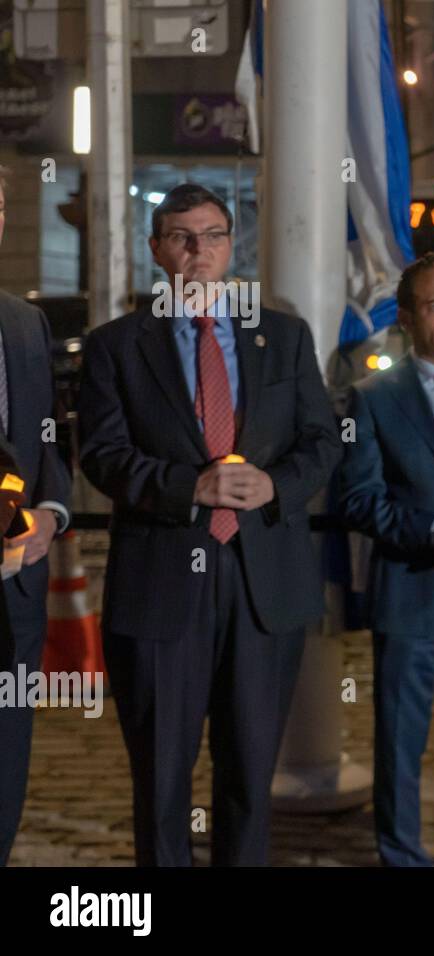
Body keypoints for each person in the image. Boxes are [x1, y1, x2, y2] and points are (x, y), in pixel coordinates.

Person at [78, 183, 342, 866]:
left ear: (232, 245)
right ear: (156, 247)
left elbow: (322, 440)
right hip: (162, 587)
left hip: (265, 590)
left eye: (214, 235)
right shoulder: (114, 347)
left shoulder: (282, 336)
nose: (199, 250)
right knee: (162, 782)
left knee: (251, 777)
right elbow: (101, 456)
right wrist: (187, 487)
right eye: (181, 236)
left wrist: (275, 485)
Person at [337, 252, 434, 867]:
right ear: (406, 317)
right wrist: (431, 532)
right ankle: (400, 857)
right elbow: (357, 498)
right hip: (408, 597)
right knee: (399, 749)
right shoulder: (373, 398)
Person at [0, 166, 73, 866]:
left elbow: (48, 437)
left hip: (14, 592)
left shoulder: (25, 322)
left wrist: (51, 512)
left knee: (5, 771)